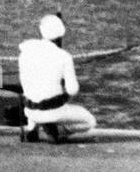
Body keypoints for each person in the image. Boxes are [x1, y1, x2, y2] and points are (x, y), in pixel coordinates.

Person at [18, 14, 96, 142]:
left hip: (30, 111)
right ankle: (58, 131)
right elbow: (72, 90)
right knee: (90, 121)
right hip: (54, 111)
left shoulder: (25, 53)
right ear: (60, 36)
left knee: (35, 90)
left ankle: (32, 128)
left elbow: (25, 82)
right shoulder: (64, 56)